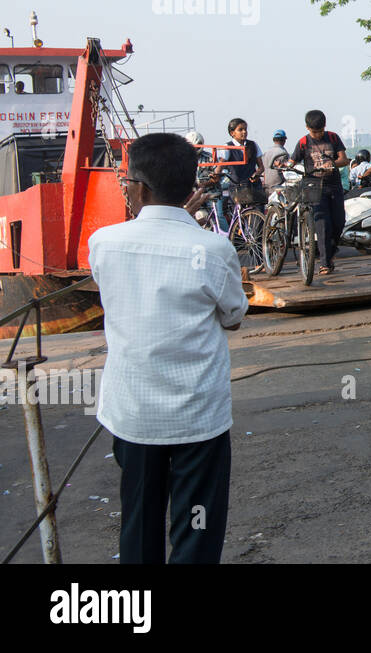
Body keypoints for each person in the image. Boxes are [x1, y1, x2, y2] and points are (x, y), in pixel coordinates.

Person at [89, 132, 247, 563]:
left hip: (134, 412)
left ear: (139, 188)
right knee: (197, 525)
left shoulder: (104, 243)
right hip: (198, 416)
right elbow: (233, 316)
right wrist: (185, 222)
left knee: (139, 521)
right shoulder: (213, 249)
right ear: (189, 186)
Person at [288, 110, 348, 275]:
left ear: (325, 127)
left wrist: (332, 164)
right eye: (315, 132)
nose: (318, 134)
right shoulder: (302, 142)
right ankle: (324, 263)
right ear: (307, 128)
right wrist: (287, 164)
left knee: (339, 222)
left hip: (334, 185)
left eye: (320, 131)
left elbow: (344, 159)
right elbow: (293, 161)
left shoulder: (333, 138)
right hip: (313, 187)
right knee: (322, 225)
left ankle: (330, 251)